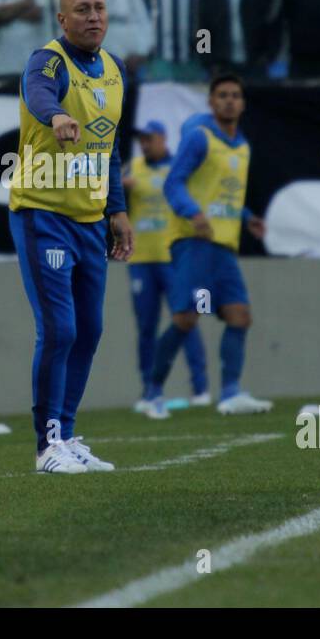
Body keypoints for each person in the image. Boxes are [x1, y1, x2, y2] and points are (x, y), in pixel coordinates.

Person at [8, 0, 134, 473]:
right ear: (62, 20)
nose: (93, 17)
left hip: (89, 218)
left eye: (100, 8)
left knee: (90, 330)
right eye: (81, 10)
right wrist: (56, 114)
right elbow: (37, 93)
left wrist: (117, 210)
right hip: (44, 213)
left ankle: (67, 433)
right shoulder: (48, 60)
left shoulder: (115, 68)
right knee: (59, 327)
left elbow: (110, 145)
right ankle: (47, 445)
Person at [144, 75, 269, 416]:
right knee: (186, 318)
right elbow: (173, 183)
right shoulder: (200, 139)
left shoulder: (242, 146)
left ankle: (230, 393)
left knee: (239, 316)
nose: (229, 101)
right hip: (193, 242)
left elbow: (219, 191)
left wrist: (246, 217)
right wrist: (193, 213)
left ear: (242, 103)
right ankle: (152, 393)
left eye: (235, 95)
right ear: (211, 103)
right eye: (222, 96)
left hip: (224, 246)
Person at [125, 121, 208, 417]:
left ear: (163, 138)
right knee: (146, 327)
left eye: (150, 138)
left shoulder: (179, 169)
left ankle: (200, 388)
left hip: (174, 258)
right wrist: (120, 189)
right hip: (142, 260)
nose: (145, 144)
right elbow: (109, 201)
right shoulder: (131, 168)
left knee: (186, 319)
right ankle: (150, 389)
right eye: (142, 139)